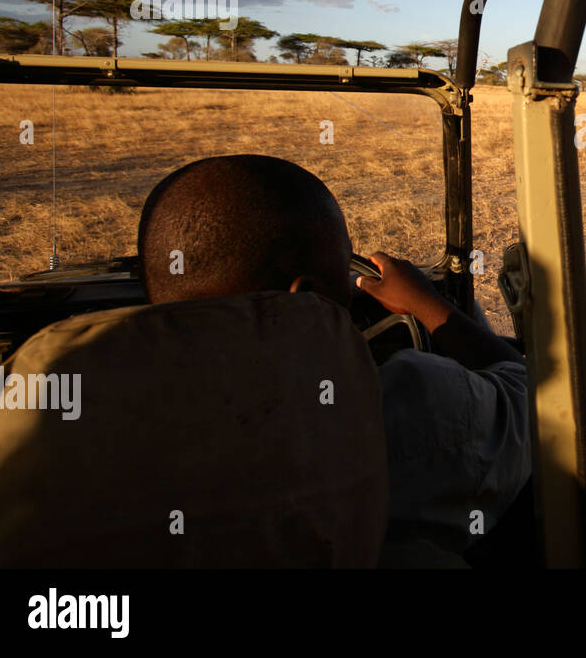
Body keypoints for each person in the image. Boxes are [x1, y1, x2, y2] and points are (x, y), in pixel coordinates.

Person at [136, 154, 530, 564]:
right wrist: (425, 303)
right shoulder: (399, 408)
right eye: (342, 271)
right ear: (306, 299)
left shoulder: (108, 423)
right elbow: (528, 398)